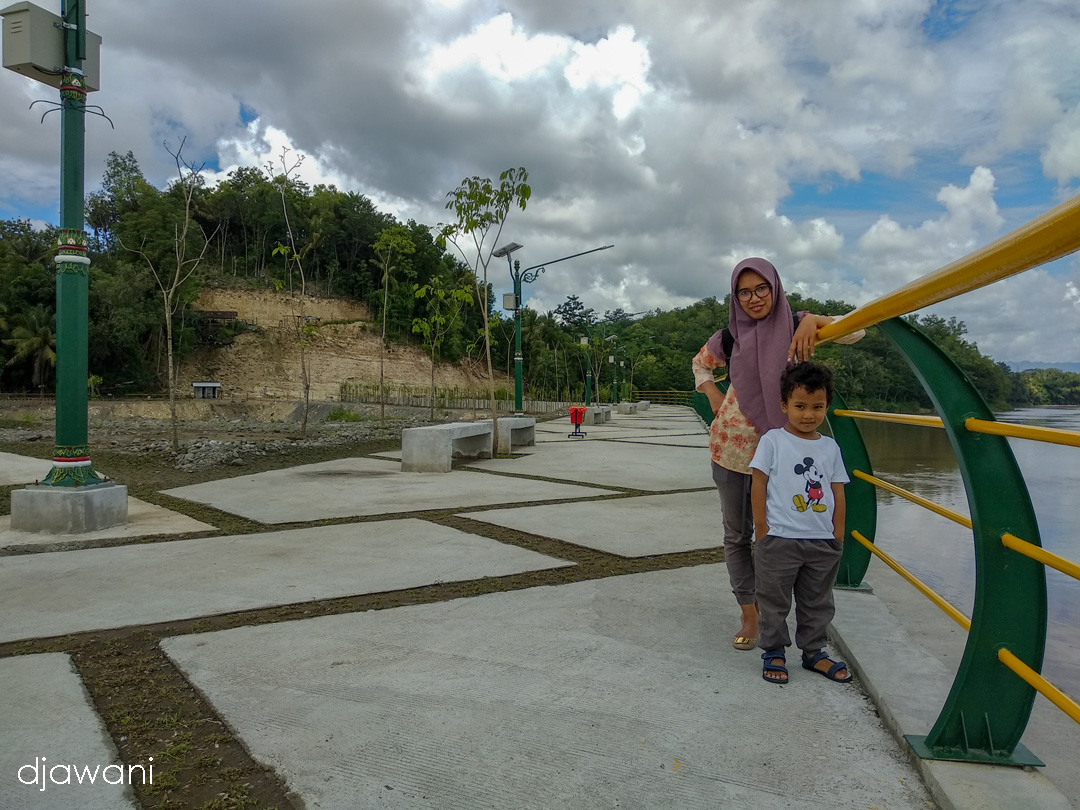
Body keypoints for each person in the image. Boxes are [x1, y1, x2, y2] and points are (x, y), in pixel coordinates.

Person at [692, 257, 861, 651]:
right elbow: (701, 364)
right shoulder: (728, 336)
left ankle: (776, 615)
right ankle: (749, 612)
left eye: (761, 289)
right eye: (744, 292)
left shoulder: (795, 323)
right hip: (732, 450)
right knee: (738, 535)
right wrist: (714, 394)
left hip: (786, 454)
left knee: (777, 534)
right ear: (735, 297)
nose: (754, 298)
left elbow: (859, 330)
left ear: (775, 287)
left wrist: (813, 319)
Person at [749, 361, 852, 685]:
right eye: (800, 406)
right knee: (774, 600)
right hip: (779, 538)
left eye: (817, 407)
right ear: (784, 406)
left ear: (827, 406)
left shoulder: (830, 447)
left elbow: (837, 491)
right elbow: (758, 484)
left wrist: (837, 533)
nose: (808, 414)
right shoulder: (773, 441)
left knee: (818, 600)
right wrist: (762, 529)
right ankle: (774, 651)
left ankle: (813, 653)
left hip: (822, 540)